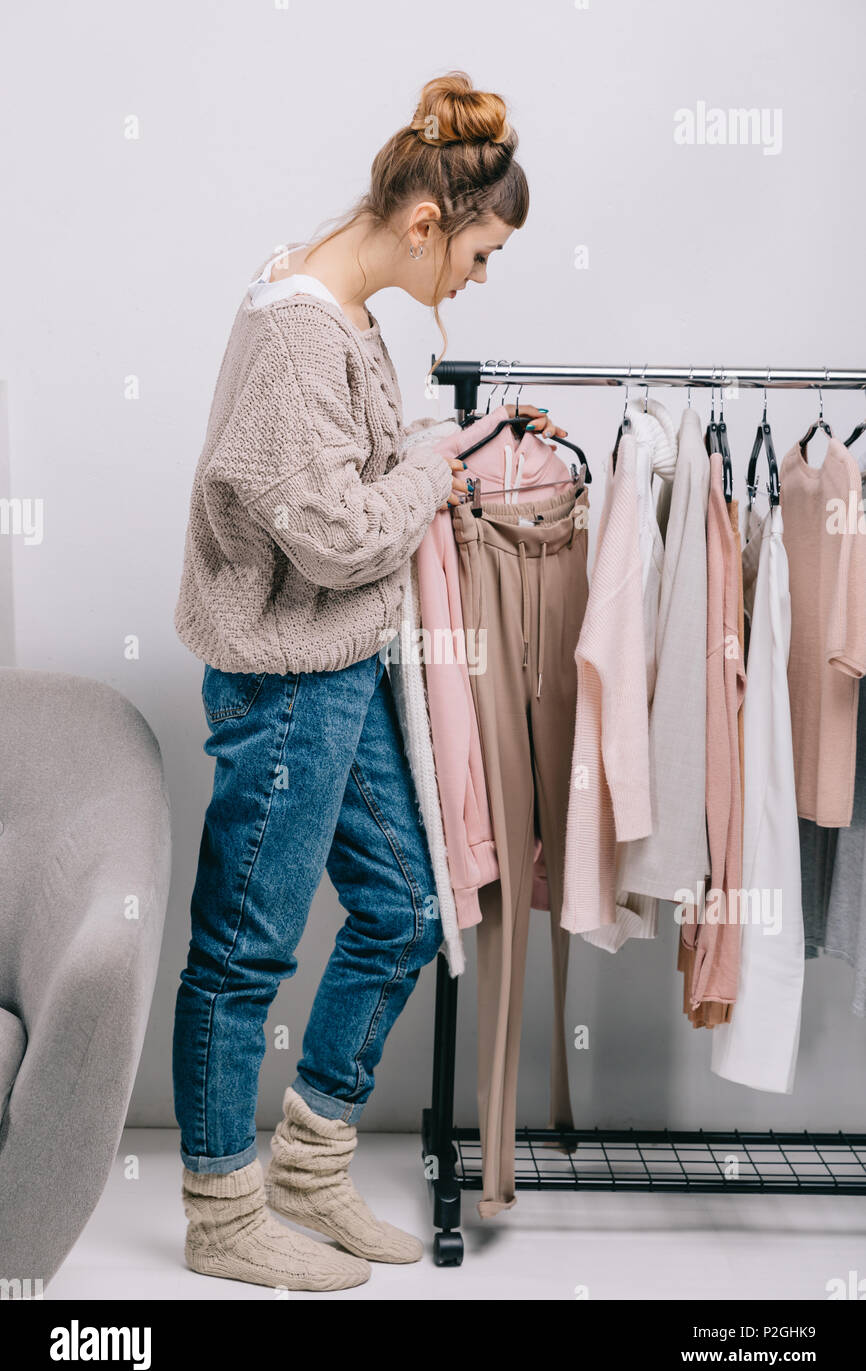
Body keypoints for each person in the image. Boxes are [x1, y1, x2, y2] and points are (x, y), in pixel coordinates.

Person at [171, 68, 567, 1292]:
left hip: (332, 670)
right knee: (245, 954)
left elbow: (357, 469)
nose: (478, 278)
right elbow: (335, 535)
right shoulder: (300, 330)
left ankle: (307, 1164)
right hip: (287, 680)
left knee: (400, 910)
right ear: (422, 224)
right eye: (482, 253)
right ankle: (222, 1213)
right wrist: (435, 484)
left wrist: (466, 440)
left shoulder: (336, 305)